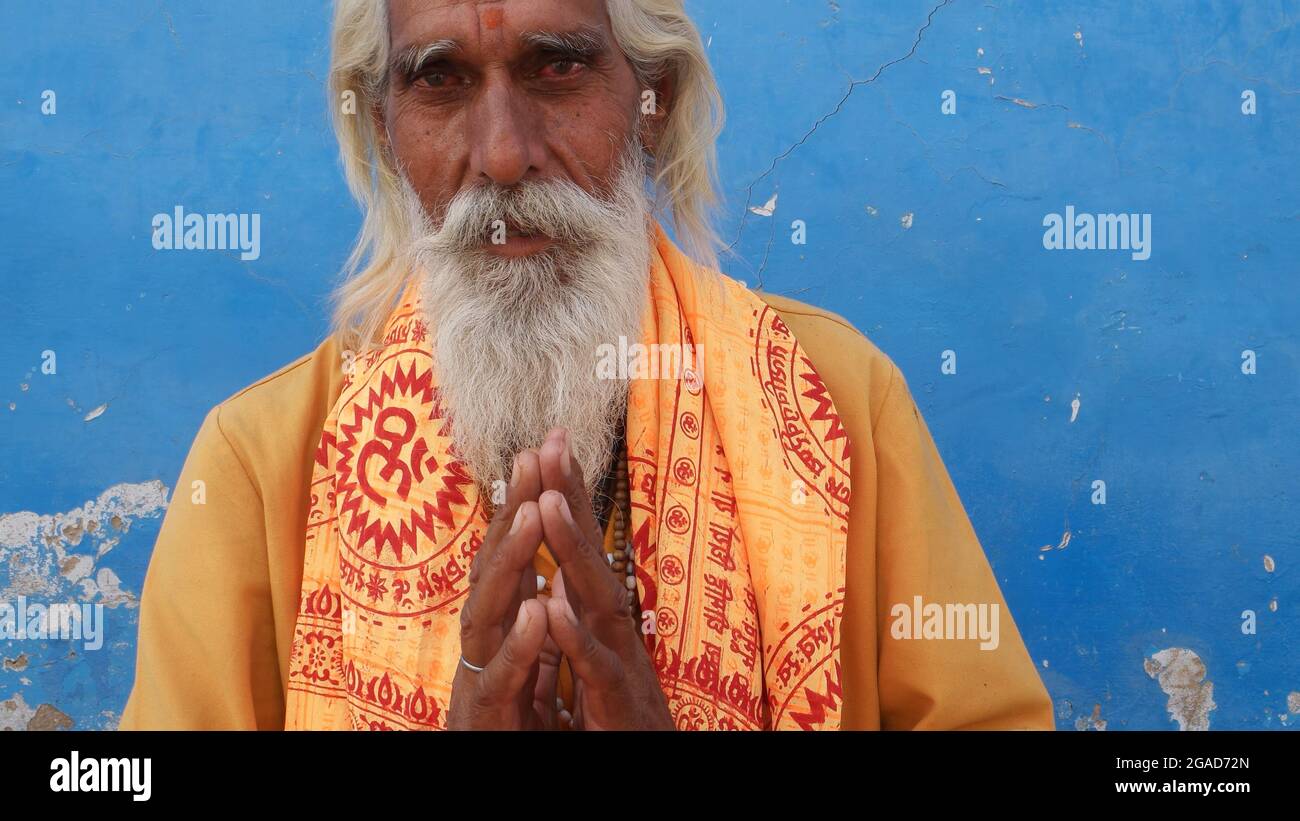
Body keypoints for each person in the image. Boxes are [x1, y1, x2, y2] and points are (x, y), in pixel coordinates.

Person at [119, 0, 1053, 731]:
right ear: (385, 136)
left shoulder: (840, 404)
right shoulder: (260, 464)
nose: (502, 156)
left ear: (657, 103)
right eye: (439, 80)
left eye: (556, 67)